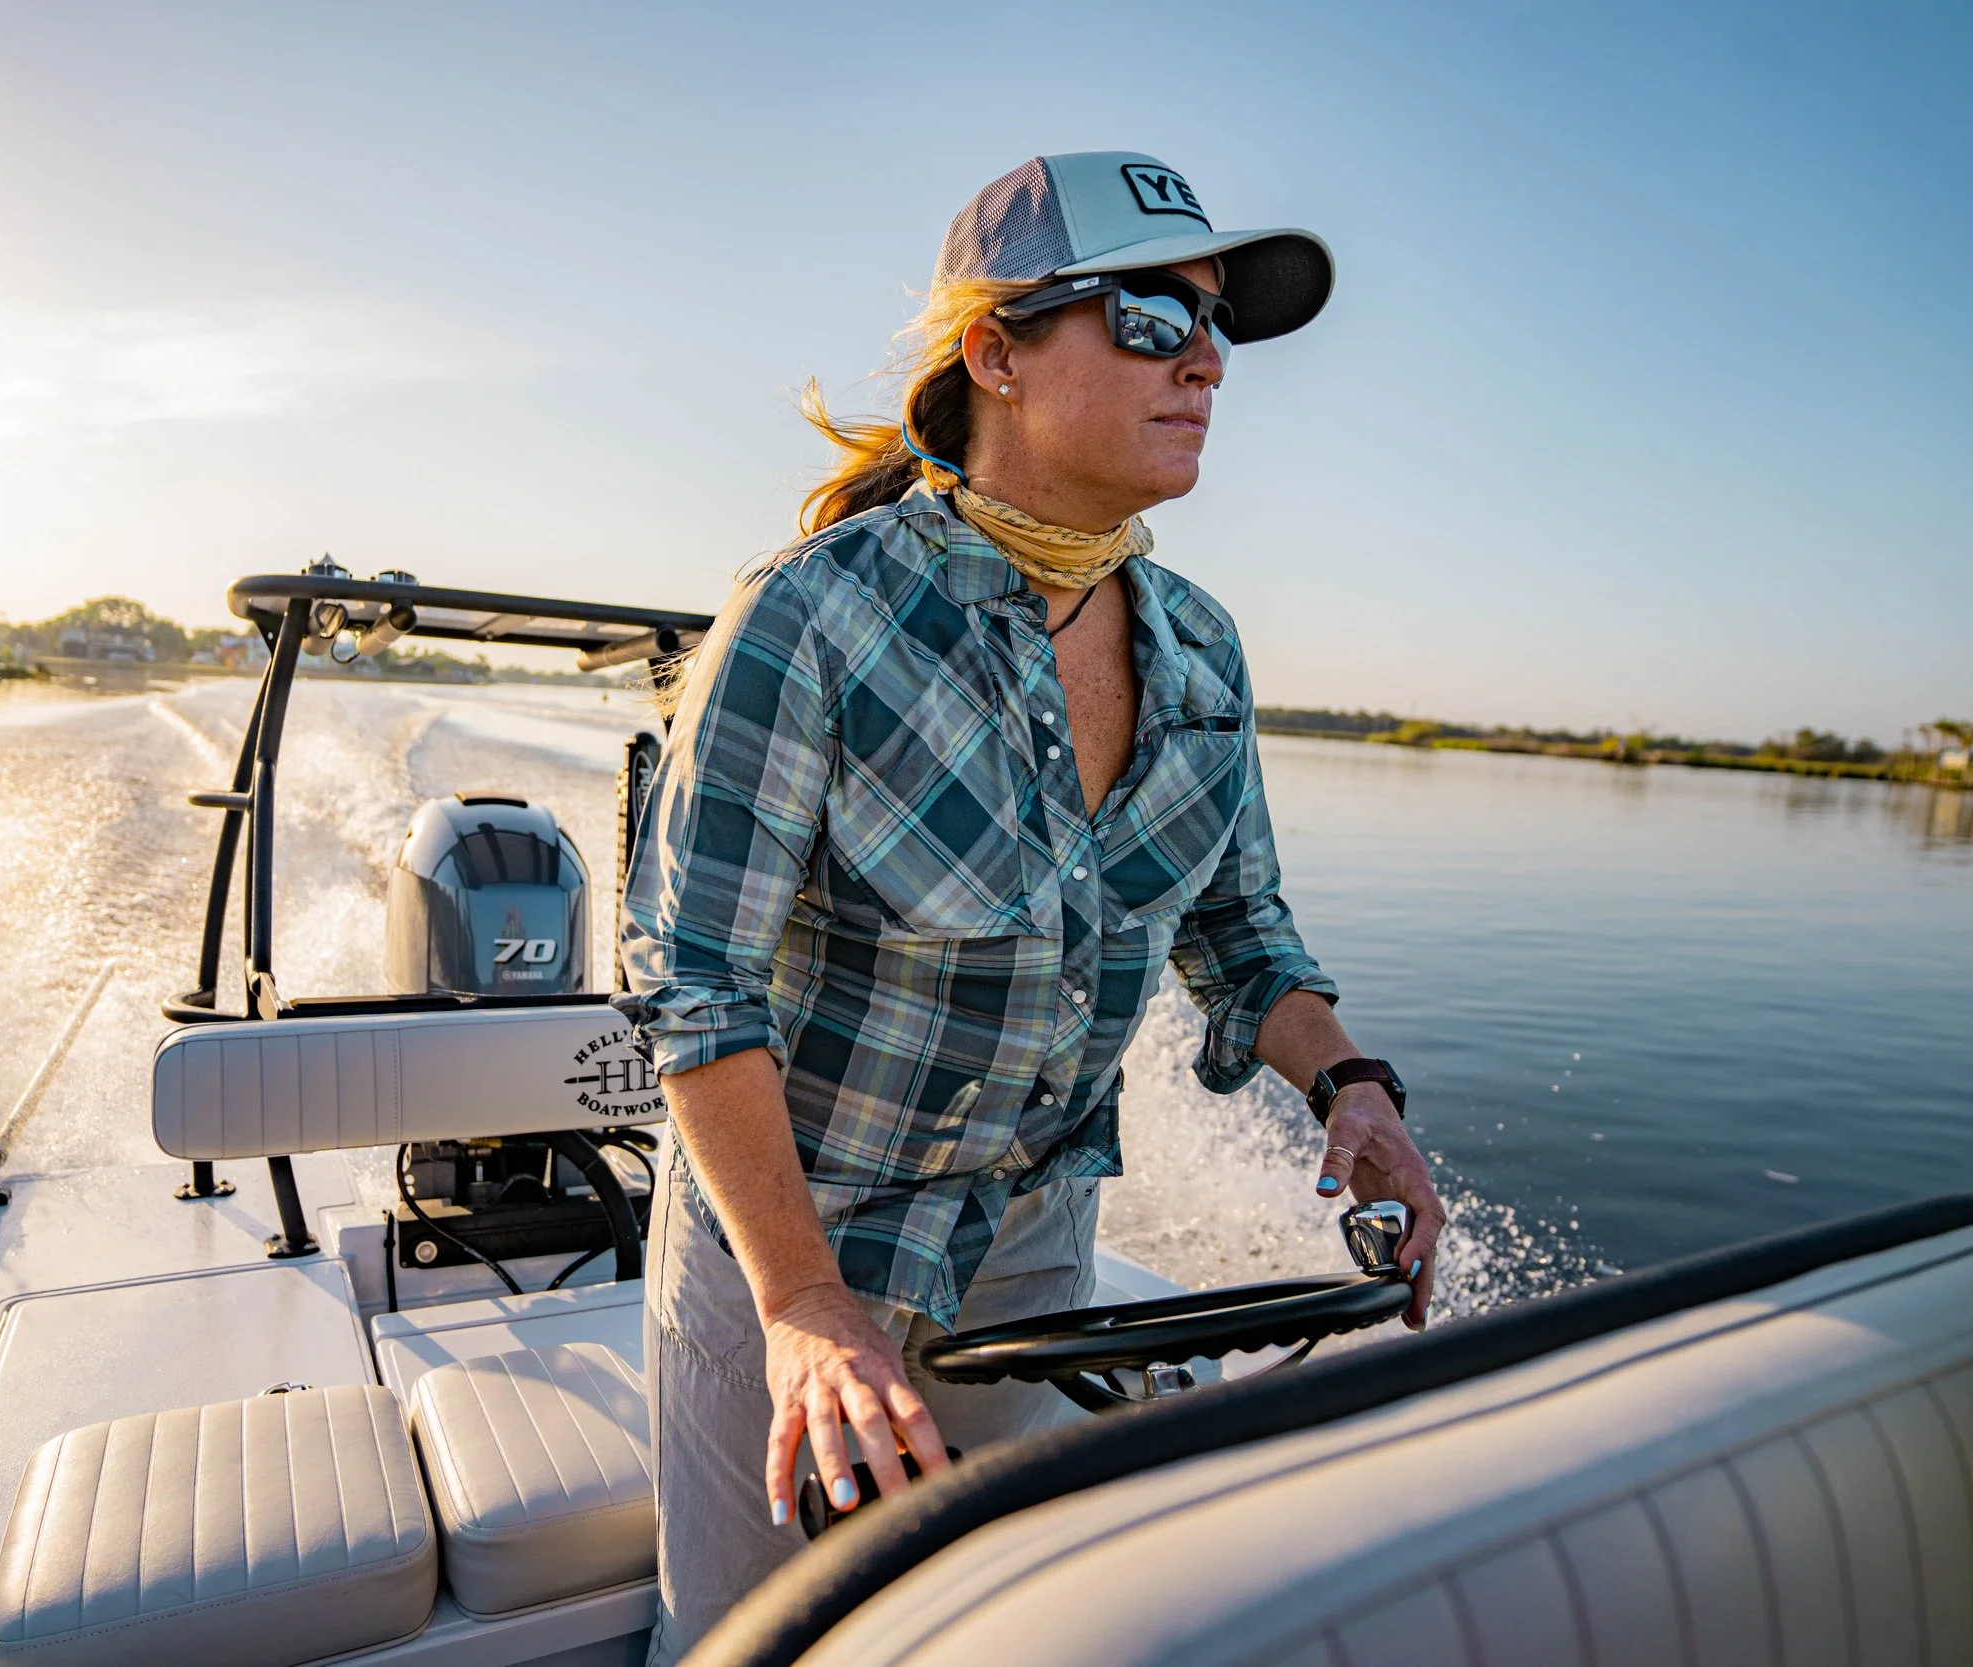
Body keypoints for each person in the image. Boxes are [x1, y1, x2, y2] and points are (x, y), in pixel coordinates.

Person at [615, 151, 1449, 1664]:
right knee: (751, 1645)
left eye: (1213, 324)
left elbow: (1243, 933)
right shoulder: (810, 617)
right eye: (1148, 315)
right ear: (996, 353)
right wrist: (804, 1300)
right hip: (786, 1254)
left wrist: (1350, 1081)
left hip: (1032, 1252)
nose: (1204, 359)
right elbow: (696, 984)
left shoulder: (1201, 648)